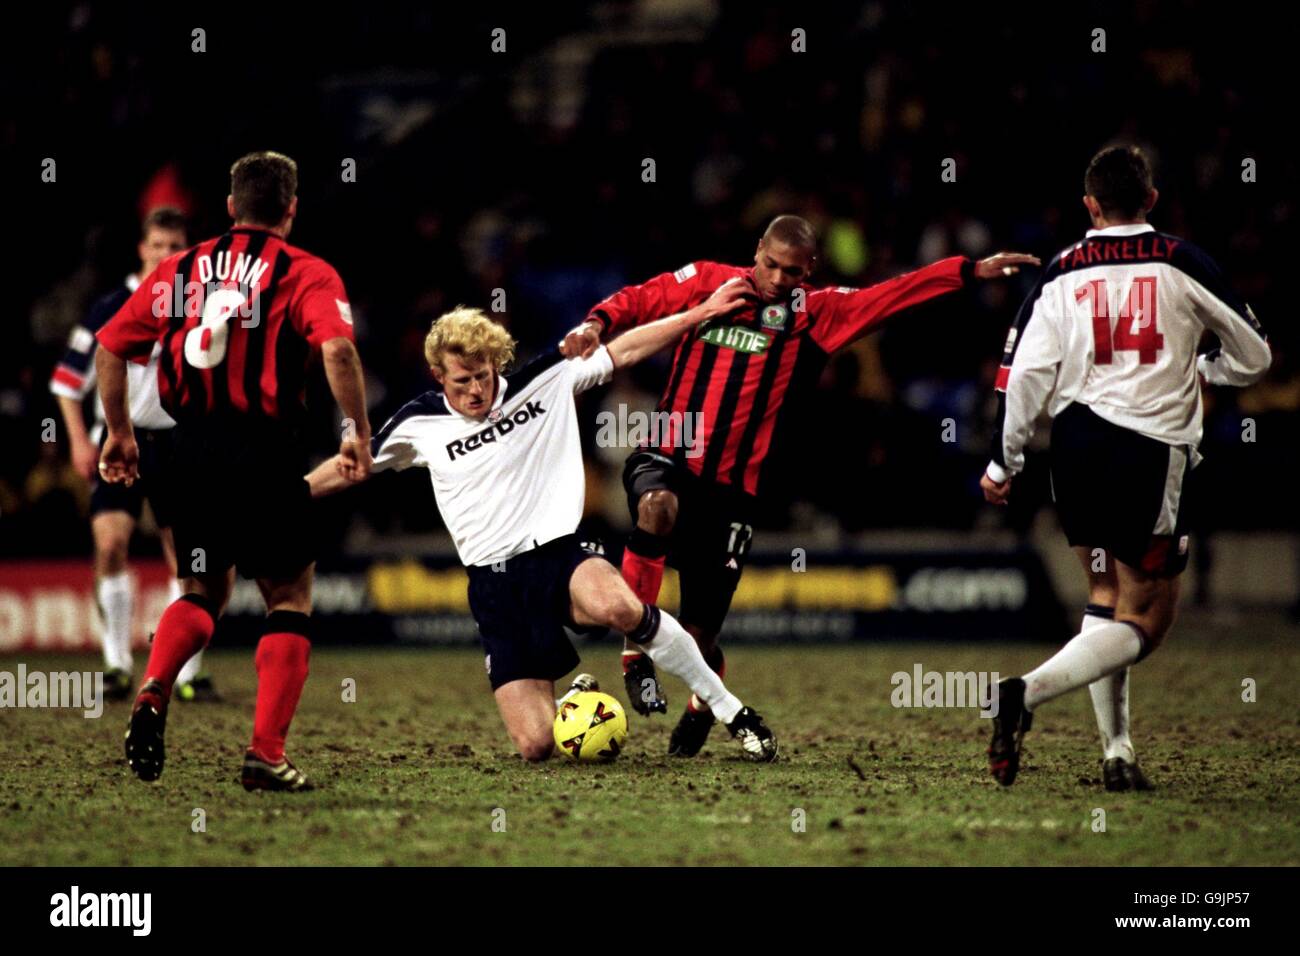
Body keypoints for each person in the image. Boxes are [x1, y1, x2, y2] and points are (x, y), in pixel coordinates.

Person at [562, 214, 1038, 756]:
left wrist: (970, 271)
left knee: (699, 640)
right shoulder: (708, 282)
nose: (778, 278)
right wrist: (596, 323)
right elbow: (642, 298)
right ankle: (635, 656)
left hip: (734, 488)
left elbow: (895, 294)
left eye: (792, 271)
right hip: (668, 454)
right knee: (657, 507)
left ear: (809, 269)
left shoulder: (819, 313)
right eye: (770, 264)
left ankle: (701, 703)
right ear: (757, 250)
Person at [307, 289, 779, 762]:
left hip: (559, 554)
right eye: (462, 381)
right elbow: (356, 463)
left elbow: (627, 348)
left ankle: (731, 711)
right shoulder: (418, 422)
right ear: (438, 377)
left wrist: (698, 314)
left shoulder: (545, 380)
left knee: (620, 608)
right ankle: (574, 700)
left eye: (484, 376)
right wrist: (291, 497)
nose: (476, 390)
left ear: (496, 365)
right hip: (494, 586)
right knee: (535, 745)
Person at [981, 145, 1271, 789]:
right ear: (1152, 200)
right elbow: (1255, 356)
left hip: (1076, 445)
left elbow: (1024, 375)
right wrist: (1206, 369)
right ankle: (1020, 694)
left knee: (1105, 599)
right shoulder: (1181, 260)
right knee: (1149, 617)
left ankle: (1117, 753)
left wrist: (1005, 463)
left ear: (1090, 204)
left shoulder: (1059, 271)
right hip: (1148, 448)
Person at [96, 151, 373, 791]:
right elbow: (337, 349)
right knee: (289, 595)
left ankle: (152, 691)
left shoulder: (180, 268)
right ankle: (265, 754)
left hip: (185, 449)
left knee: (198, 591)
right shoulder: (307, 271)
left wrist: (118, 433)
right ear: (292, 210)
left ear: (229, 208)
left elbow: (113, 345)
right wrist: (355, 430)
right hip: (264, 448)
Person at [52, 208, 218, 701]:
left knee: (187, 560)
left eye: (176, 248)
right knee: (109, 546)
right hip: (119, 442)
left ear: (187, 253)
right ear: (142, 249)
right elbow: (66, 383)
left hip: (178, 444)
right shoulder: (110, 305)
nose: (166, 255)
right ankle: (117, 665)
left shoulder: (202, 307)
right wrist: (81, 440)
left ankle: (185, 675)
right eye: (158, 245)